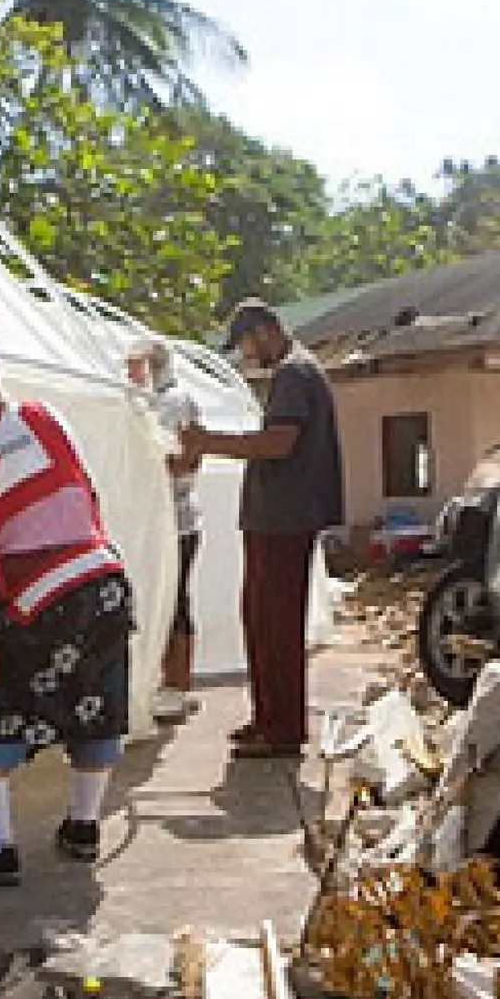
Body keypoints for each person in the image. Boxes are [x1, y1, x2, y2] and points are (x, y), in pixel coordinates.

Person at [0, 338, 134, 888]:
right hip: (103, 583)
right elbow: (83, 489)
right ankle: (83, 828)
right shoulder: (46, 419)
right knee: (95, 699)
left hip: (37, 600)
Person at [180, 299, 343, 760]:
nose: (248, 355)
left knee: (276, 624)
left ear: (268, 330)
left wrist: (209, 442)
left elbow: (278, 442)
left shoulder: (294, 373)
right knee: (259, 619)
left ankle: (283, 730)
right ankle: (268, 716)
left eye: (249, 343)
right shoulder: (294, 372)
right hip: (275, 518)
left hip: (286, 519)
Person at [124, 336, 202, 723]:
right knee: (161, 597)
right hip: (158, 519)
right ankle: (166, 682)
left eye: (135, 366)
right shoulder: (147, 403)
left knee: (175, 600)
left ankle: (178, 685)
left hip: (176, 518)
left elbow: (184, 459)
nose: (129, 374)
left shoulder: (174, 402)